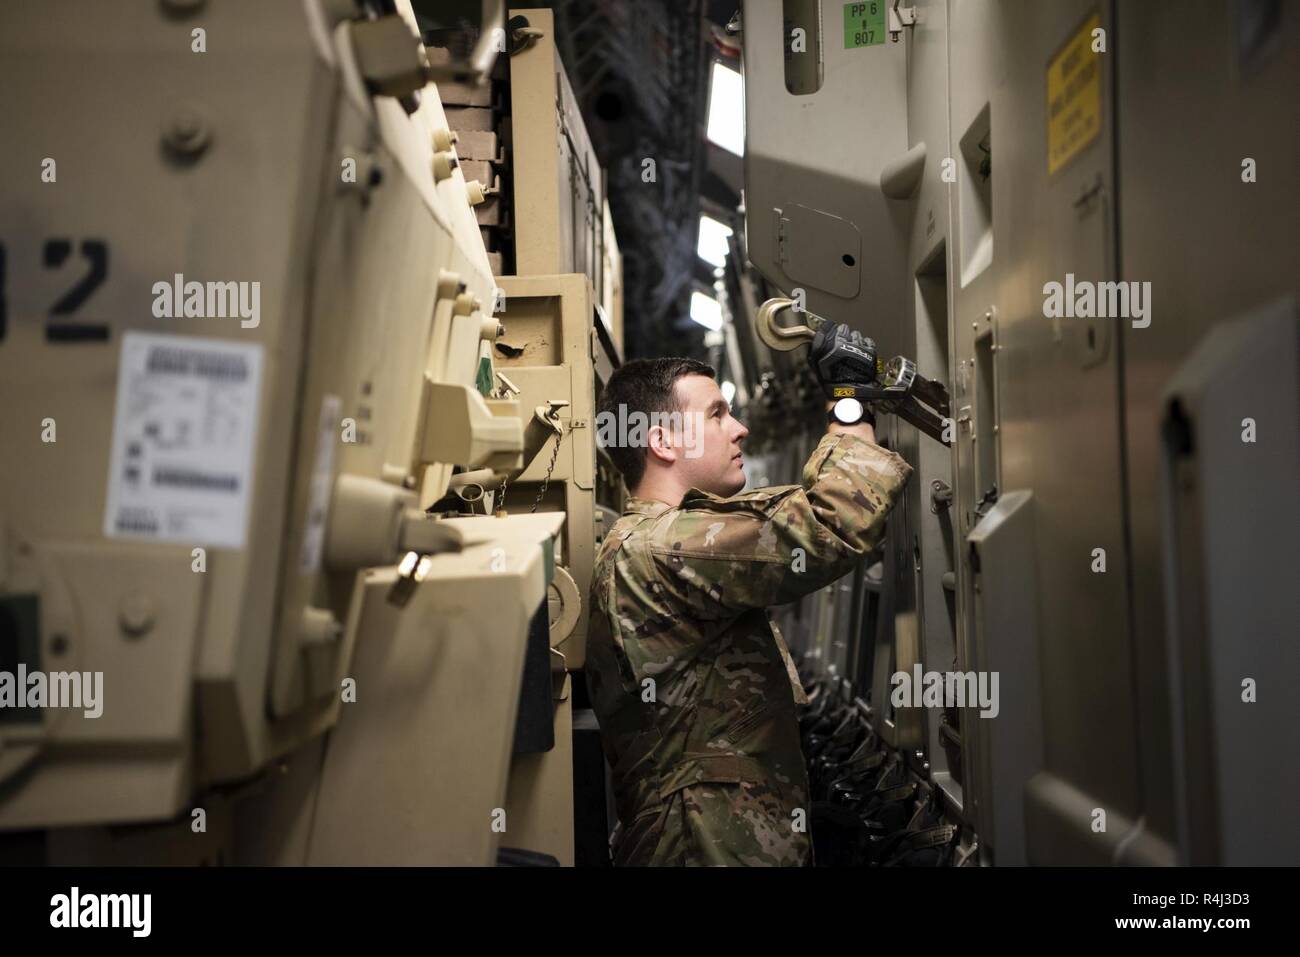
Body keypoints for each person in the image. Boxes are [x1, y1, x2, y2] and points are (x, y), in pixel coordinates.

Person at [585, 324, 912, 866]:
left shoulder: (656, 540)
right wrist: (849, 400)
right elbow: (831, 520)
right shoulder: (664, 547)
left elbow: (779, 512)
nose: (738, 429)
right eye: (716, 414)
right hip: (707, 844)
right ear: (662, 441)